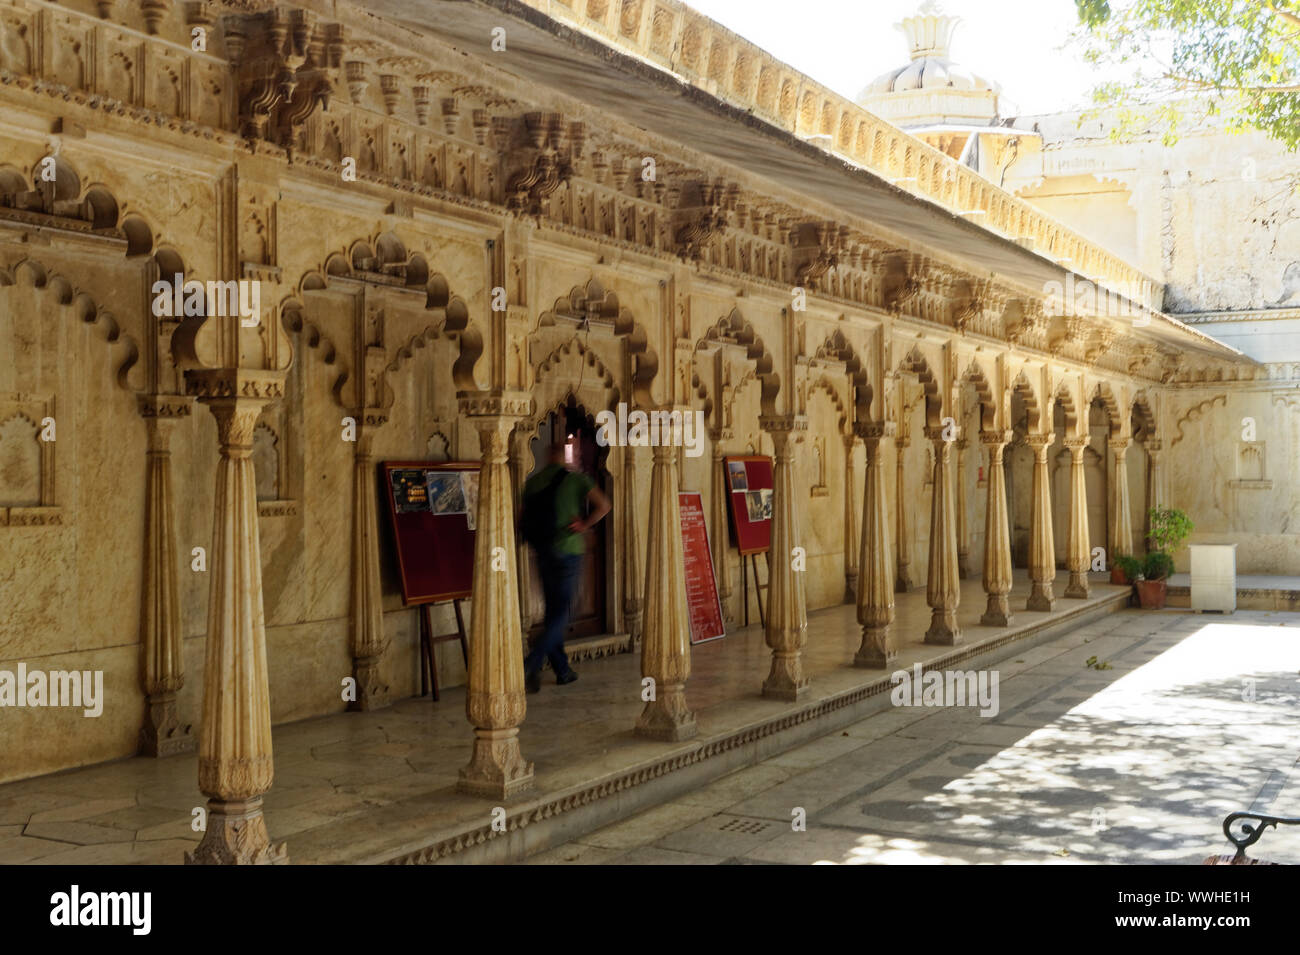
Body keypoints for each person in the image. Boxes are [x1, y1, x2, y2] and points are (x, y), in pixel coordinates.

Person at [521, 437, 611, 693]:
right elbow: (604, 505)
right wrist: (584, 524)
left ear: (548, 456)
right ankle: (532, 661)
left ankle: (562, 670)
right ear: (566, 457)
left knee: (553, 612)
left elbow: (521, 516)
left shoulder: (532, 483)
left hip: (543, 551)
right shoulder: (575, 479)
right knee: (562, 614)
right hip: (568, 551)